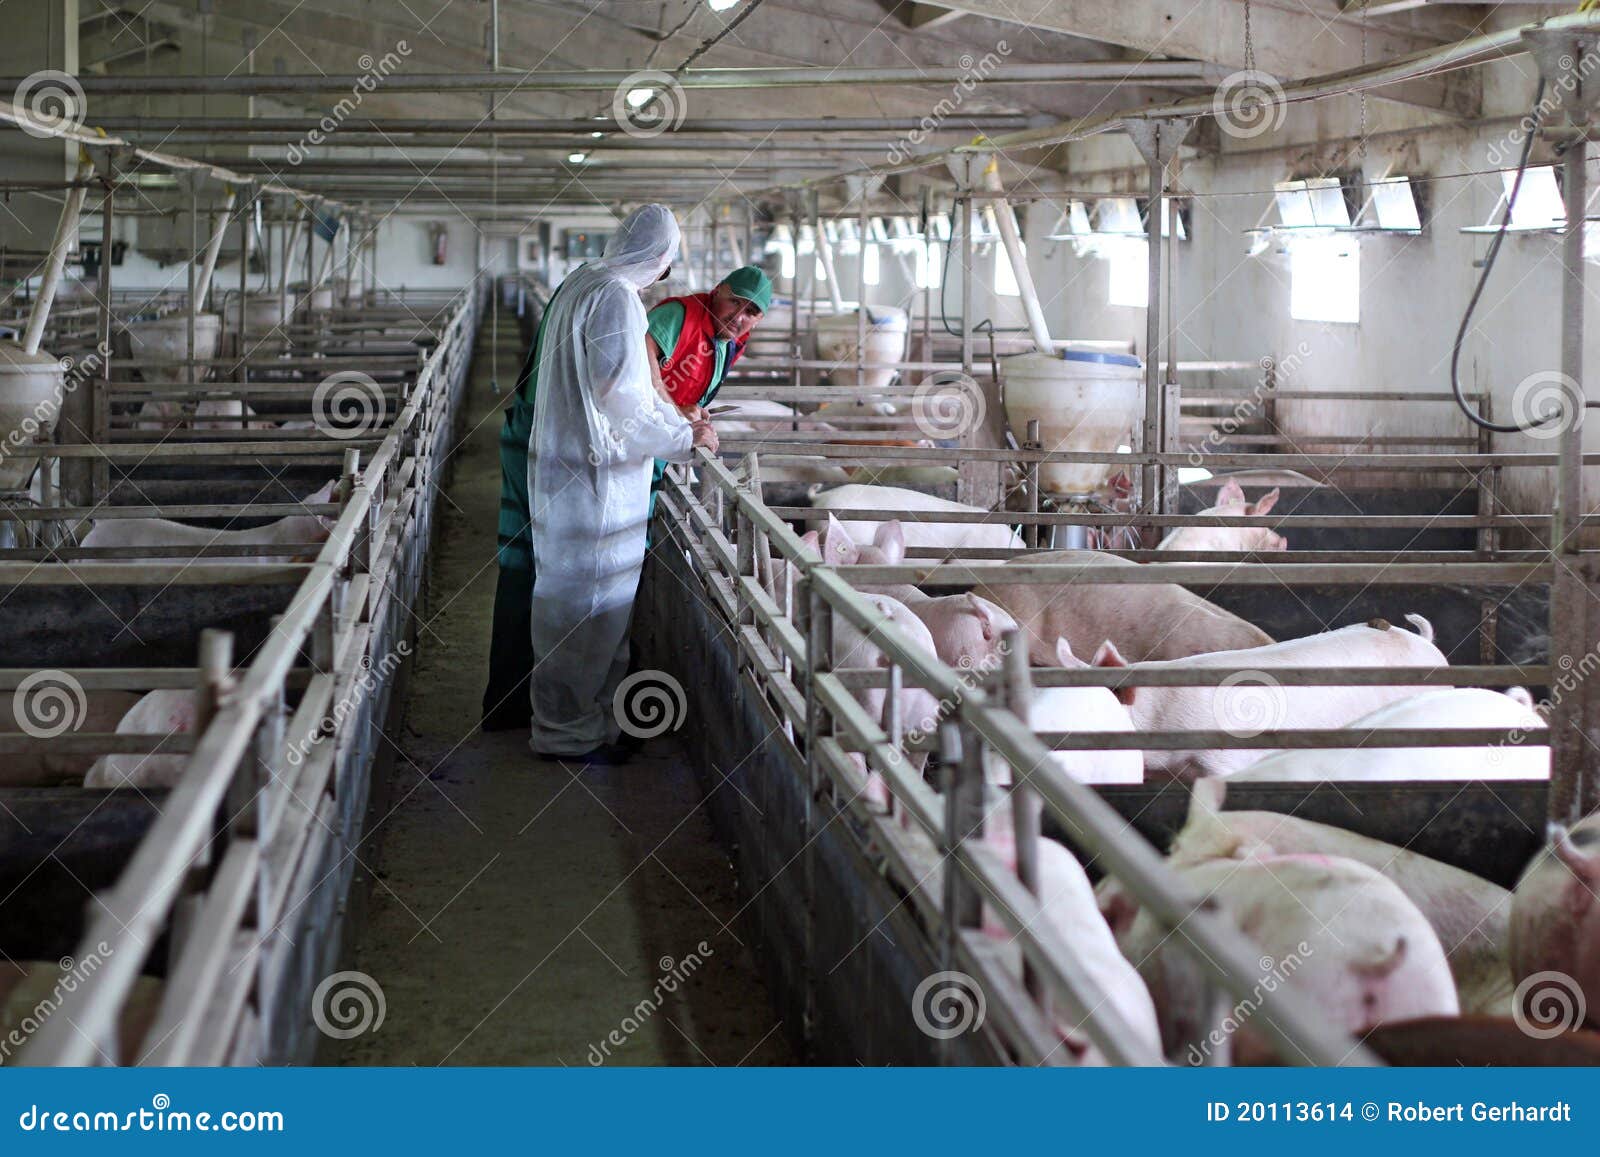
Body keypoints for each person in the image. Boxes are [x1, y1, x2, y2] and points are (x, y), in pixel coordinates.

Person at [481, 205, 716, 757]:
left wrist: (676, 420)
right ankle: (564, 731)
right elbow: (619, 395)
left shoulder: (583, 281)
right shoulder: (615, 297)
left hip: (570, 466)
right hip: (594, 478)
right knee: (585, 606)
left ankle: (588, 718)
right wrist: (682, 441)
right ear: (661, 259)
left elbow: (621, 387)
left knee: (581, 602)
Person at [642, 266, 770, 512]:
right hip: (635, 436)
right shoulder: (679, 315)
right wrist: (678, 413)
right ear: (718, 289)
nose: (738, 316)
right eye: (734, 301)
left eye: (751, 312)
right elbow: (636, 360)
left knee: (642, 521)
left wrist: (689, 413)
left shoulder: (730, 342)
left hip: (662, 442)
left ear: (758, 320)